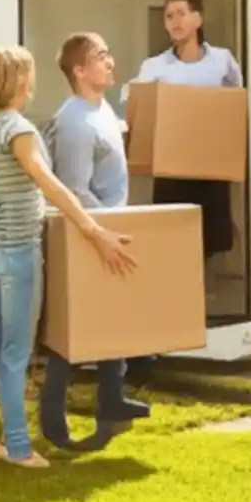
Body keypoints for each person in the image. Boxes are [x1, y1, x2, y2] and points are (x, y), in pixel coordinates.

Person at [0, 45, 136, 469]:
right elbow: (52, 186)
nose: (32, 78)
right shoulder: (18, 130)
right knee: (14, 353)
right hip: (17, 251)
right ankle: (20, 447)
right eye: (27, 72)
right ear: (18, 81)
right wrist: (94, 232)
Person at [120, 0, 242, 380]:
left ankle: (201, 317)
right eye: (167, 15)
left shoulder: (221, 60)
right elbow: (132, 98)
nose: (173, 21)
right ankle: (176, 322)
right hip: (172, 173)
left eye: (180, 14)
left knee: (210, 241)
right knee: (173, 244)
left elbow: (235, 101)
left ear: (198, 18)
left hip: (209, 168)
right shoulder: (156, 66)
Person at [38, 32, 151, 451]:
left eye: (108, 52)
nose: (110, 60)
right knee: (77, 328)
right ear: (79, 71)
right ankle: (53, 423)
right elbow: (73, 188)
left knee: (113, 320)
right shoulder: (73, 123)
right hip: (87, 233)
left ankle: (112, 400)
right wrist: (100, 231)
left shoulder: (101, 109)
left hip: (110, 230)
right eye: (100, 56)